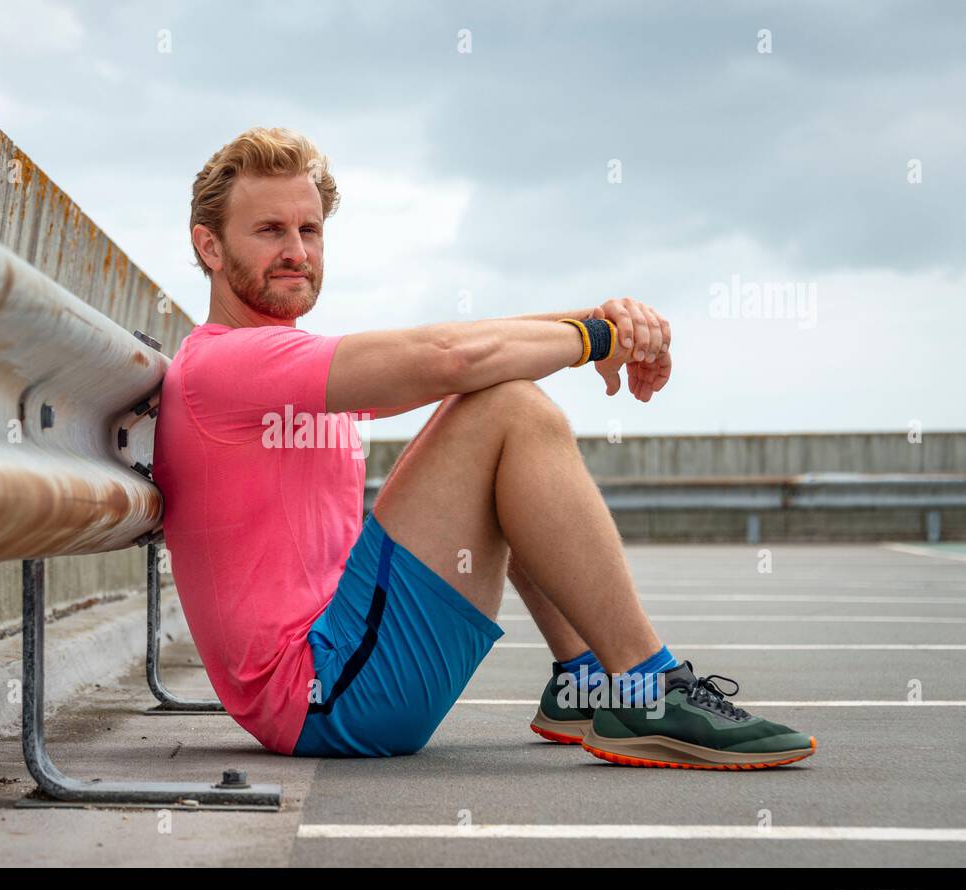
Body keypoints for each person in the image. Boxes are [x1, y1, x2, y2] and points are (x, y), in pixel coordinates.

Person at [152, 126, 816, 769]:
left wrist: (597, 322)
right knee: (506, 406)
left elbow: (463, 351)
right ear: (209, 247)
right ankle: (647, 685)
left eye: (310, 229)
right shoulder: (226, 364)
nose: (296, 248)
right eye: (270, 230)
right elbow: (450, 355)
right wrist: (598, 336)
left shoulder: (276, 365)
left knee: (490, 395)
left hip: (344, 656)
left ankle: (587, 677)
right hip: (323, 691)